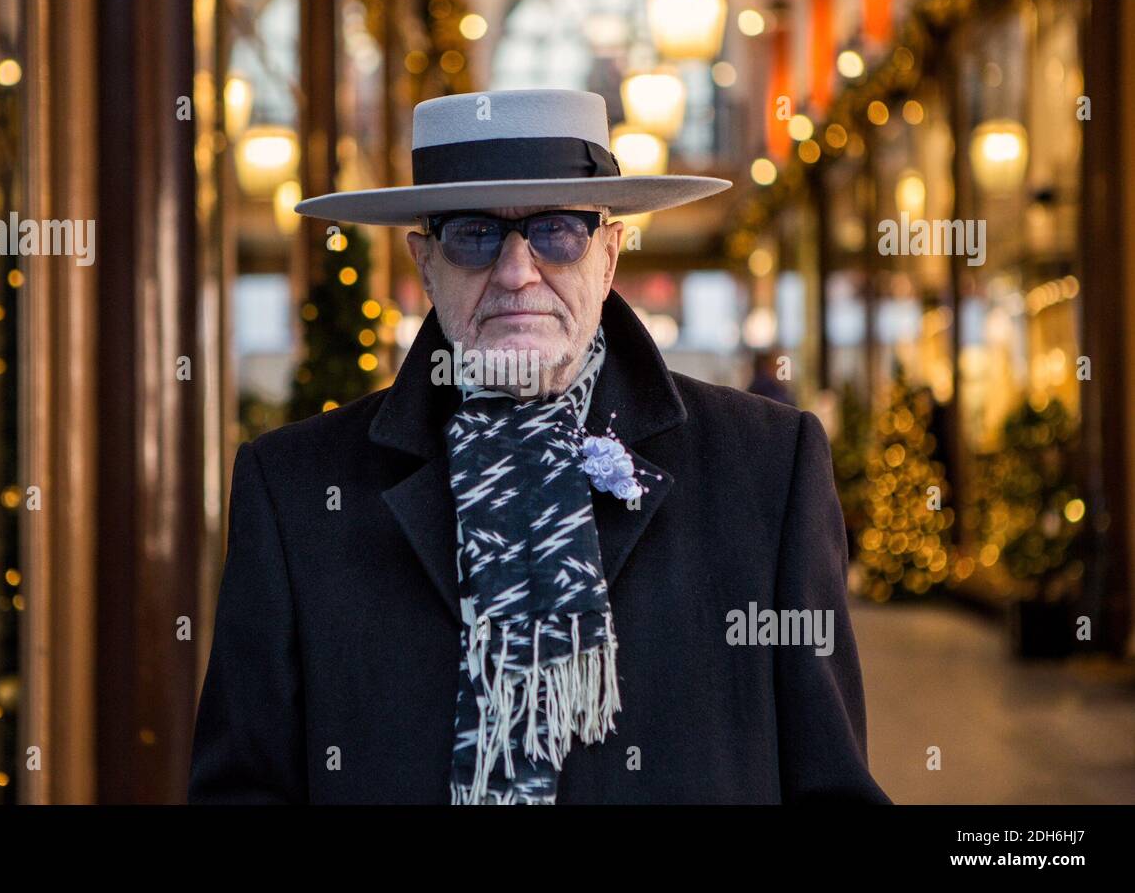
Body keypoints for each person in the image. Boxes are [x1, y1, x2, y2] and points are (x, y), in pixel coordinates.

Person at [188, 88, 890, 804]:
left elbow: (830, 788)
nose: (518, 273)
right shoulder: (296, 487)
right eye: (474, 234)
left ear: (609, 254)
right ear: (426, 264)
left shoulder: (768, 466)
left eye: (557, 231)